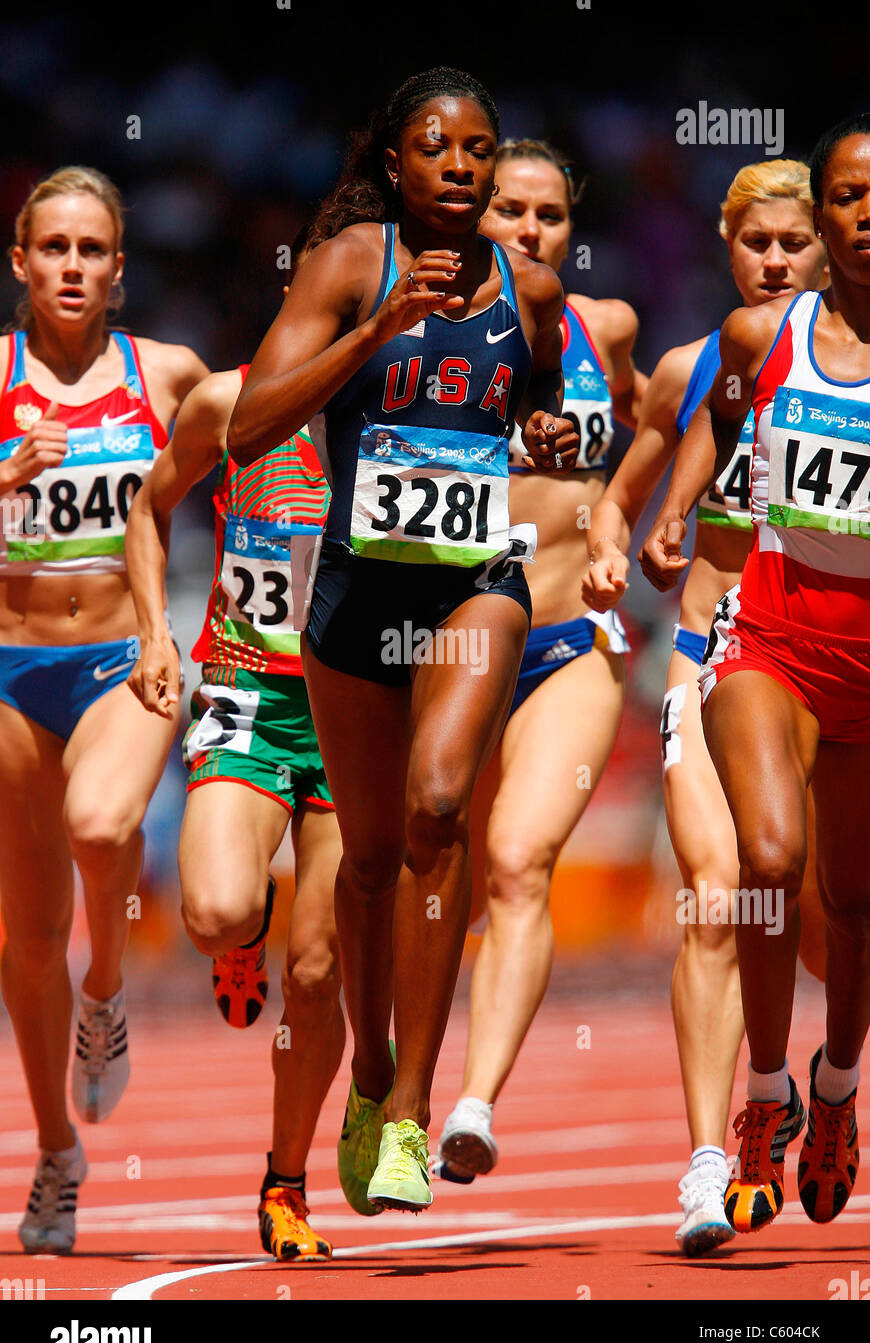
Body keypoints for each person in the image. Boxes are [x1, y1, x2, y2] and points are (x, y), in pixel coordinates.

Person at [228, 67, 578, 1213]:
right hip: (354, 605)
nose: (464, 166)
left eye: (481, 149)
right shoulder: (347, 263)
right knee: (368, 861)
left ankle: (415, 1105)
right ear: (395, 161)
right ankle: (369, 1072)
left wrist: (544, 430)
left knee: (438, 808)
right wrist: (382, 326)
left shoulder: (528, 285)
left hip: (477, 585)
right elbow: (251, 427)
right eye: (438, 147)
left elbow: (530, 398)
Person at [583, 160, 828, 1253]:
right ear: (726, 245)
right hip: (712, 650)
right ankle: (706, 1158)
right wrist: (612, 542)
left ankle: (829, 1082)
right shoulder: (697, 365)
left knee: (825, 924)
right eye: (755, 243)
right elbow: (628, 490)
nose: (773, 261)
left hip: (834, 665)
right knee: (717, 894)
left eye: (794, 244)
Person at [637, 115, 870, 1235]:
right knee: (762, 862)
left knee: (851, 908)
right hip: (762, 639)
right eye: (848, 195)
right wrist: (673, 507)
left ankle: (834, 1095)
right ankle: (762, 1098)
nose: (862, 213)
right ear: (828, 218)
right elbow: (716, 417)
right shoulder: (754, 337)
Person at [0, 166, 207, 1254]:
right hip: (7, 666)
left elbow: (274, 436)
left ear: (119, 270)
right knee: (26, 939)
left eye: (92, 251)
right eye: (53, 248)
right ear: (21, 262)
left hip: (123, 656)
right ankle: (55, 1156)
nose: (72, 267)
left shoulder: (165, 373)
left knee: (102, 824)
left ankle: (110, 992)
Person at [433, 138, 645, 1183]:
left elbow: (655, 434)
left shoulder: (607, 330)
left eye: (551, 214)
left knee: (519, 862)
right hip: (447, 642)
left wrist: (617, 526)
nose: (529, 228)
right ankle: (388, 1095)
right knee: (438, 880)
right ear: (473, 218)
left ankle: (473, 1105)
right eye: (509, 210)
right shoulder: (421, 328)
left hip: (569, 643)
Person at [125, 258, 345, 1256]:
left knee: (320, 970)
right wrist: (154, 632)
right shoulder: (229, 401)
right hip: (248, 693)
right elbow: (149, 503)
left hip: (360, 711)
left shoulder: (406, 424)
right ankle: (246, 929)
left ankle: (286, 1180)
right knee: (214, 913)